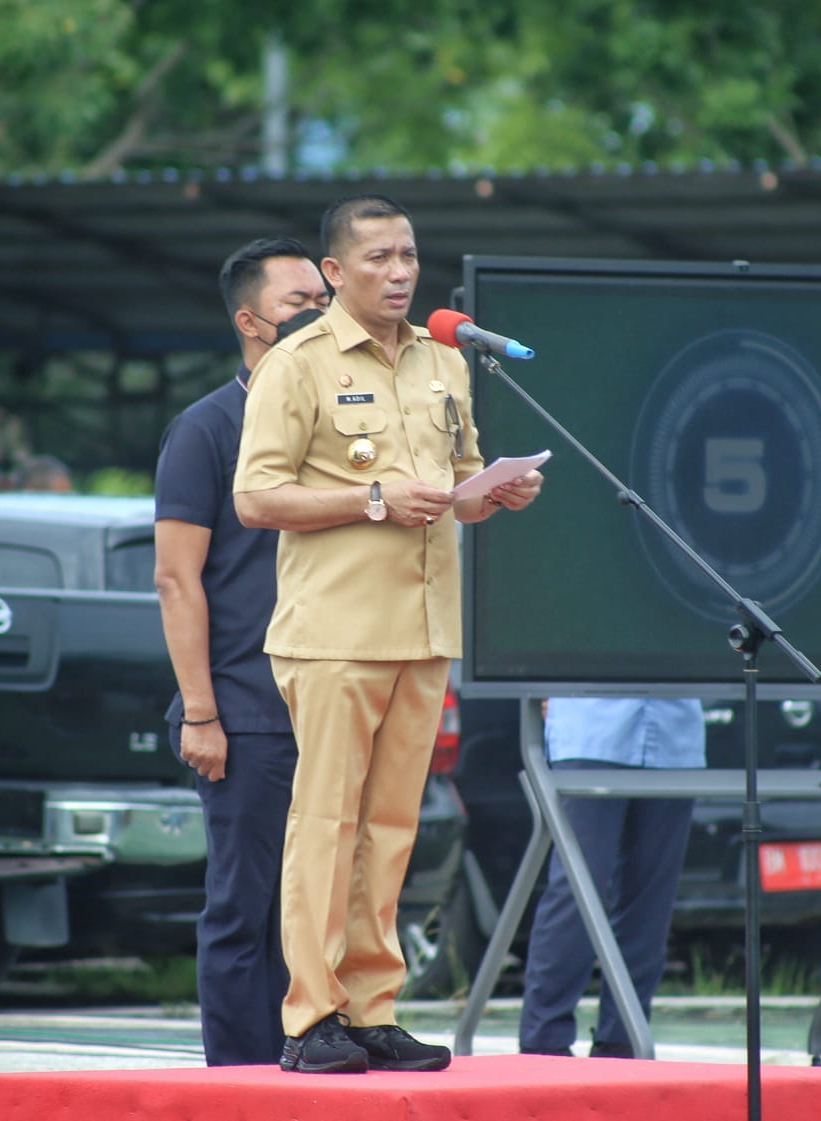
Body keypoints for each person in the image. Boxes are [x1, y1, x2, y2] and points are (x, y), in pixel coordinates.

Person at [233, 194, 544, 1075]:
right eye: (377, 258)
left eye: (408, 254)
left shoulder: (445, 360)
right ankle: (310, 1015)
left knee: (392, 828)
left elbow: (459, 482)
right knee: (325, 823)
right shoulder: (297, 364)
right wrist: (369, 498)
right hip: (334, 632)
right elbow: (255, 497)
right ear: (334, 272)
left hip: (421, 628)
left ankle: (371, 1008)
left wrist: (496, 492)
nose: (400, 272)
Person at [153, 236, 331, 1066]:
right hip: (245, 713)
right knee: (244, 908)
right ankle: (238, 1081)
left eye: (323, 297)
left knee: (314, 908)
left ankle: (302, 1063)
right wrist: (201, 712)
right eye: (301, 302)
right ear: (250, 320)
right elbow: (177, 582)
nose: (321, 312)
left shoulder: (336, 421)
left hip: (328, 701)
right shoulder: (206, 430)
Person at [518, 697, 706, 1058]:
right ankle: (544, 1041)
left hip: (675, 737)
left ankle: (623, 1039)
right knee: (578, 888)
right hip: (591, 733)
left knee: (651, 898)